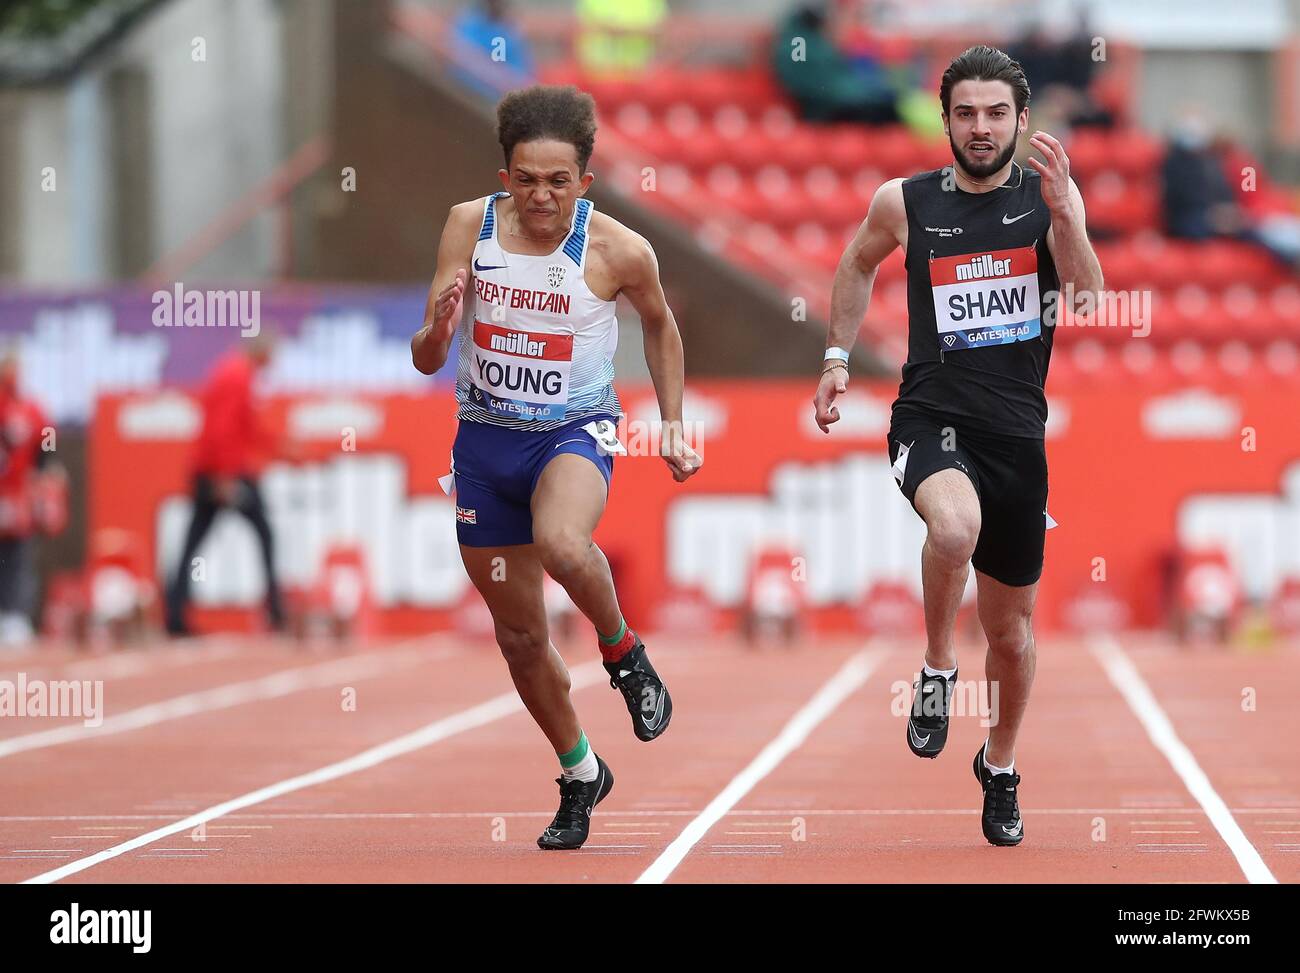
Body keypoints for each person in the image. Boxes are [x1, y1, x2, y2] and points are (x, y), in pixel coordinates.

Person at [813, 46, 1103, 846]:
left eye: (996, 113)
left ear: (1021, 119)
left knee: (1011, 636)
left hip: (1018, 436)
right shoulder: (904, 201)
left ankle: (1000, 765)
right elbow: (855, 263)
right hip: (930, 418)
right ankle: (938, 664)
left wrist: (1070, 220)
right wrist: (837, 358)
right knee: (951, 529)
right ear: (944, 120)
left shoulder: (1049, 201)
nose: (981, 128)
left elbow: (1087, 296)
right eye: (966, 114)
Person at [411, 84, 700, 851]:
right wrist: (438, 333)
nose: (541, 195)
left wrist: (673, 424)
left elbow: (662, 331)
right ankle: (579, 772)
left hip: (574, 430)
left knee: (565, 542)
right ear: (504, 174)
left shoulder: (618, 250)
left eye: (558, 181)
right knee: (520, 639)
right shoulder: (467, 227)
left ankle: (622, 651)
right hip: (483, 440)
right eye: (526, 179)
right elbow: (425, 355)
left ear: (586, 182)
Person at [164, 335, 286, 637]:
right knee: (263, 533)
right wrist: (225, 477)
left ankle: (175, 614)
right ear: (262, 350)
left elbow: (246, 427)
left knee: (195, 542)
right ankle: (276, 613)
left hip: (213, 469)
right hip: (222, 473)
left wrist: (279, 446)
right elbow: (223, 429)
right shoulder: (238, 375)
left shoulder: (232, 371)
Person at [0, 351, 60, 646]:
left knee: (20, 553)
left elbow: (47, 436)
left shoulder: (30, 406)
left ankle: (16, 614)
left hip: (18, 492)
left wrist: (43, 470)